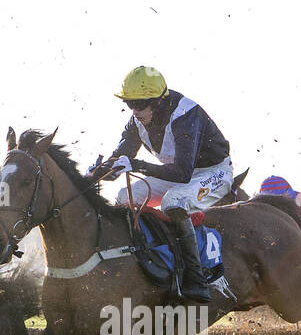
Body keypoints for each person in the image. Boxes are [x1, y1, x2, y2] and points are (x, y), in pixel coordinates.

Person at [89, 66, 233, 302]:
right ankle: (145, 260)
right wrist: (97, 173)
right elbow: (121, 157)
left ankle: (196, 278)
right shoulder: (137, 120)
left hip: (212, 172)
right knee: (125, 197)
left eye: (140, 104)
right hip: (173, 174)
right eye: (129, 104)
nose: (134, 111)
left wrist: (137, 165)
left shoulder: (185, 115)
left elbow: (183, 173)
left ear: (157, 102)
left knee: (173, 201)